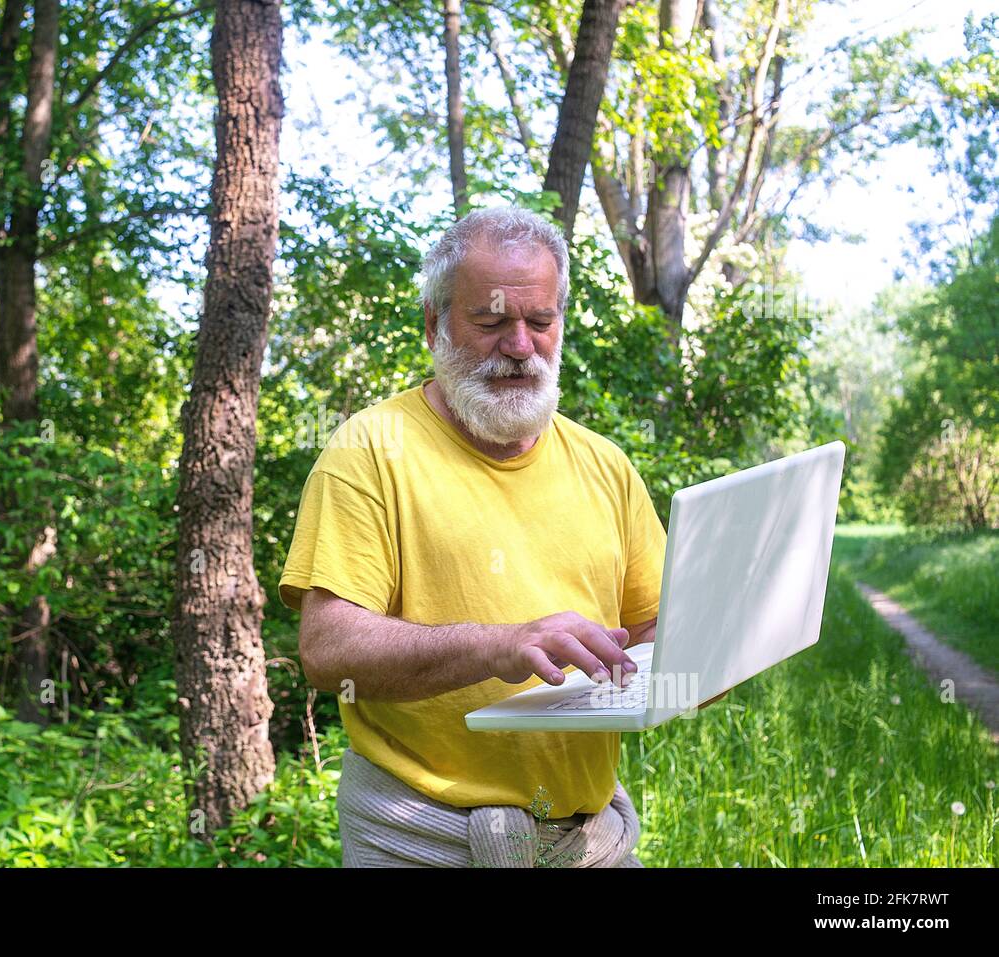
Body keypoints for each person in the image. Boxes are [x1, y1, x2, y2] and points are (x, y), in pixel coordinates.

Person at [278, 206, 703, 868]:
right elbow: (326, 649)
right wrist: (499, 645)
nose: (520, 344)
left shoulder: (606, 464)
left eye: (540, 321)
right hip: (417, 836)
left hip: (591, 839)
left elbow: (654, 635)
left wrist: (723, 648)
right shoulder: (369, 450)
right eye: (491, 321)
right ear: (433, 324)